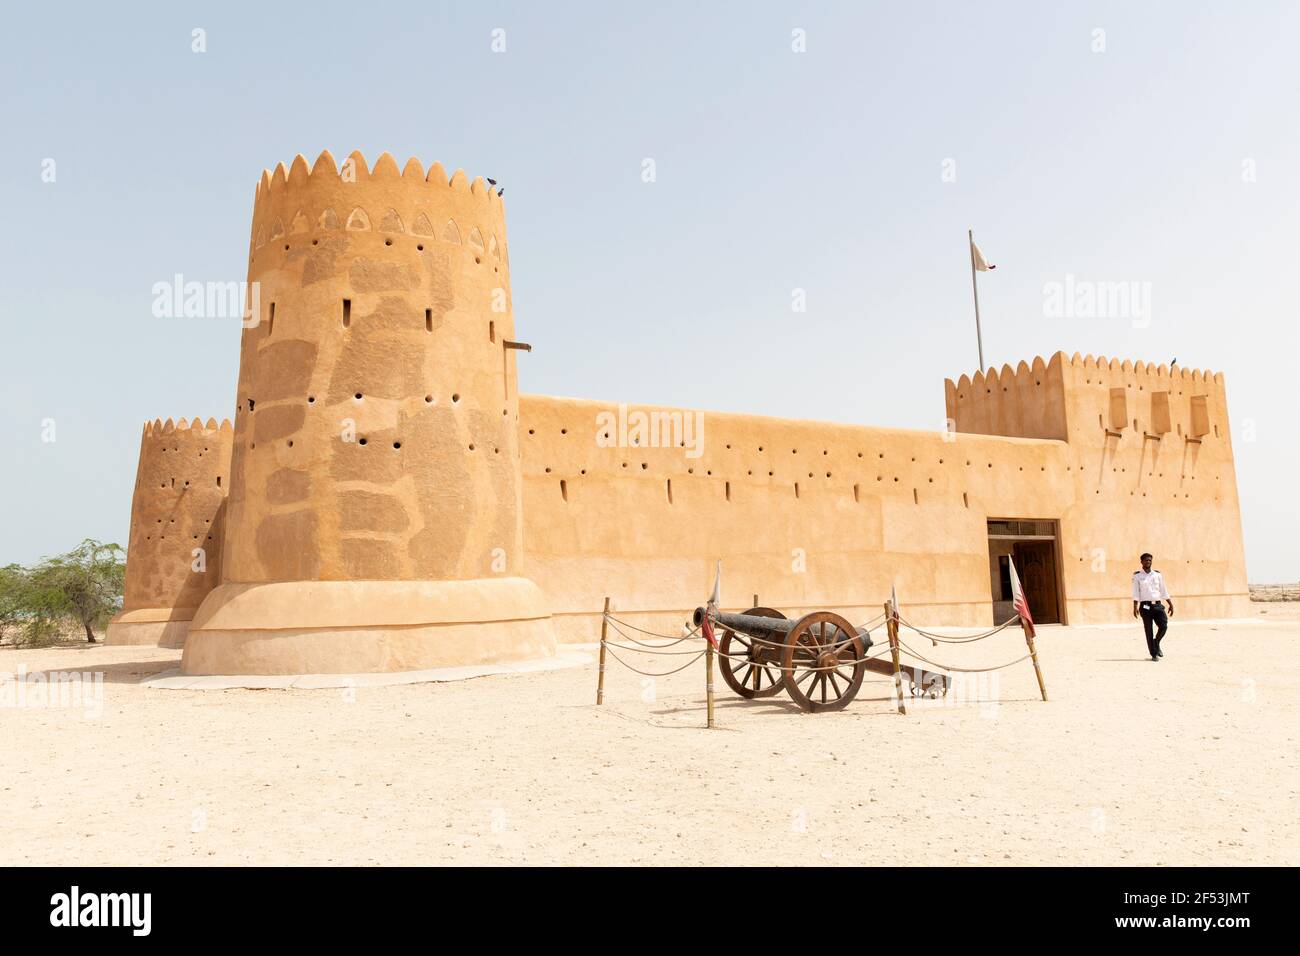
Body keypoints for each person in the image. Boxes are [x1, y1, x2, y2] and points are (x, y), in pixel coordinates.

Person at [1132, 552, 1174, 661]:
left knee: (1163, 626)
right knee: (1149, 631)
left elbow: (1163, 590)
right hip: (1145, 607)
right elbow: (1136, 592)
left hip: (1158, 606)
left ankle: (1156, 642)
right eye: (1146, 560)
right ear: (1141, 562)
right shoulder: (1137, 576)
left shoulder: (1157, 575)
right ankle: (1153, 654)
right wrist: (1135, 607)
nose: (1148, 562)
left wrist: (1170, 603)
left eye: (1150, 560)